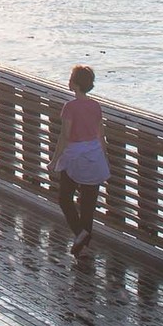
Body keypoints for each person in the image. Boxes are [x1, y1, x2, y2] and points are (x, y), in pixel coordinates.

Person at [50, 64, 111, 258]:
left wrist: (54, 160)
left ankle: (80, 234)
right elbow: (101, 135)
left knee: (64, 198)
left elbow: (65, 136)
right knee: (88, 206)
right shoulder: (96, 106)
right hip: (94, 155)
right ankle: (83, 246)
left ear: (75, 84)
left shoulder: (70, 107)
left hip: (75, 156)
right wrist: (105, 159)